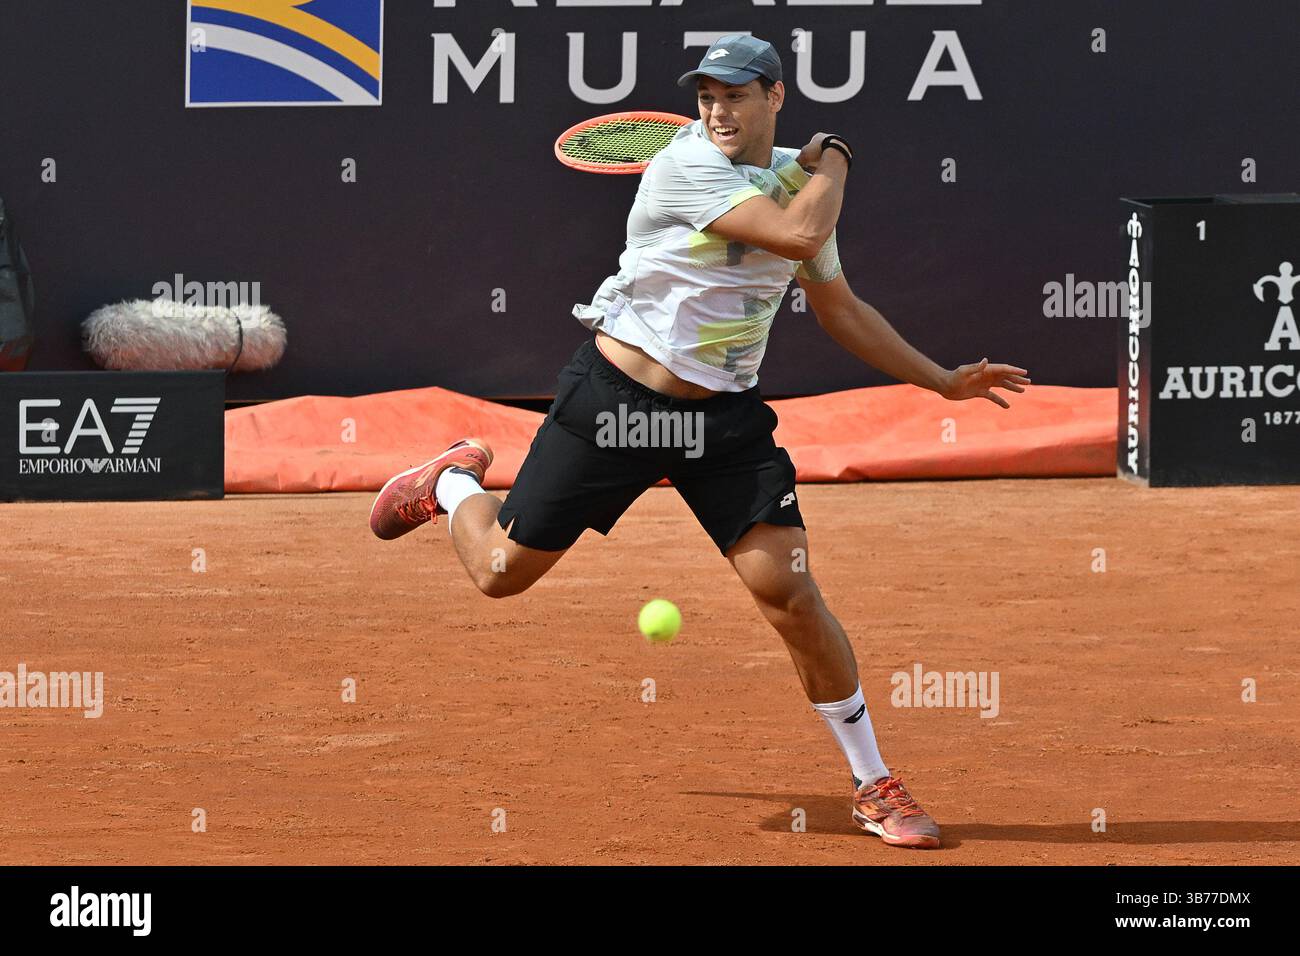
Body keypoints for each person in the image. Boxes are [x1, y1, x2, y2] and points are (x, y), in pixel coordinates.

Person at [370, 35, 1030, 850]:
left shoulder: (797, 186)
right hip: (618, 403)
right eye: (707, 96)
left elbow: (841, 309)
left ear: (775, 98)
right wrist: (839, 161)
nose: (718, 110)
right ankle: (454, 484)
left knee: (790, 596)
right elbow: (791, 238)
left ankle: (871, 782)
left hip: (721, 422)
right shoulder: (696, 169)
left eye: (737, 95)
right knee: (500, 574)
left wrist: (940, 379)